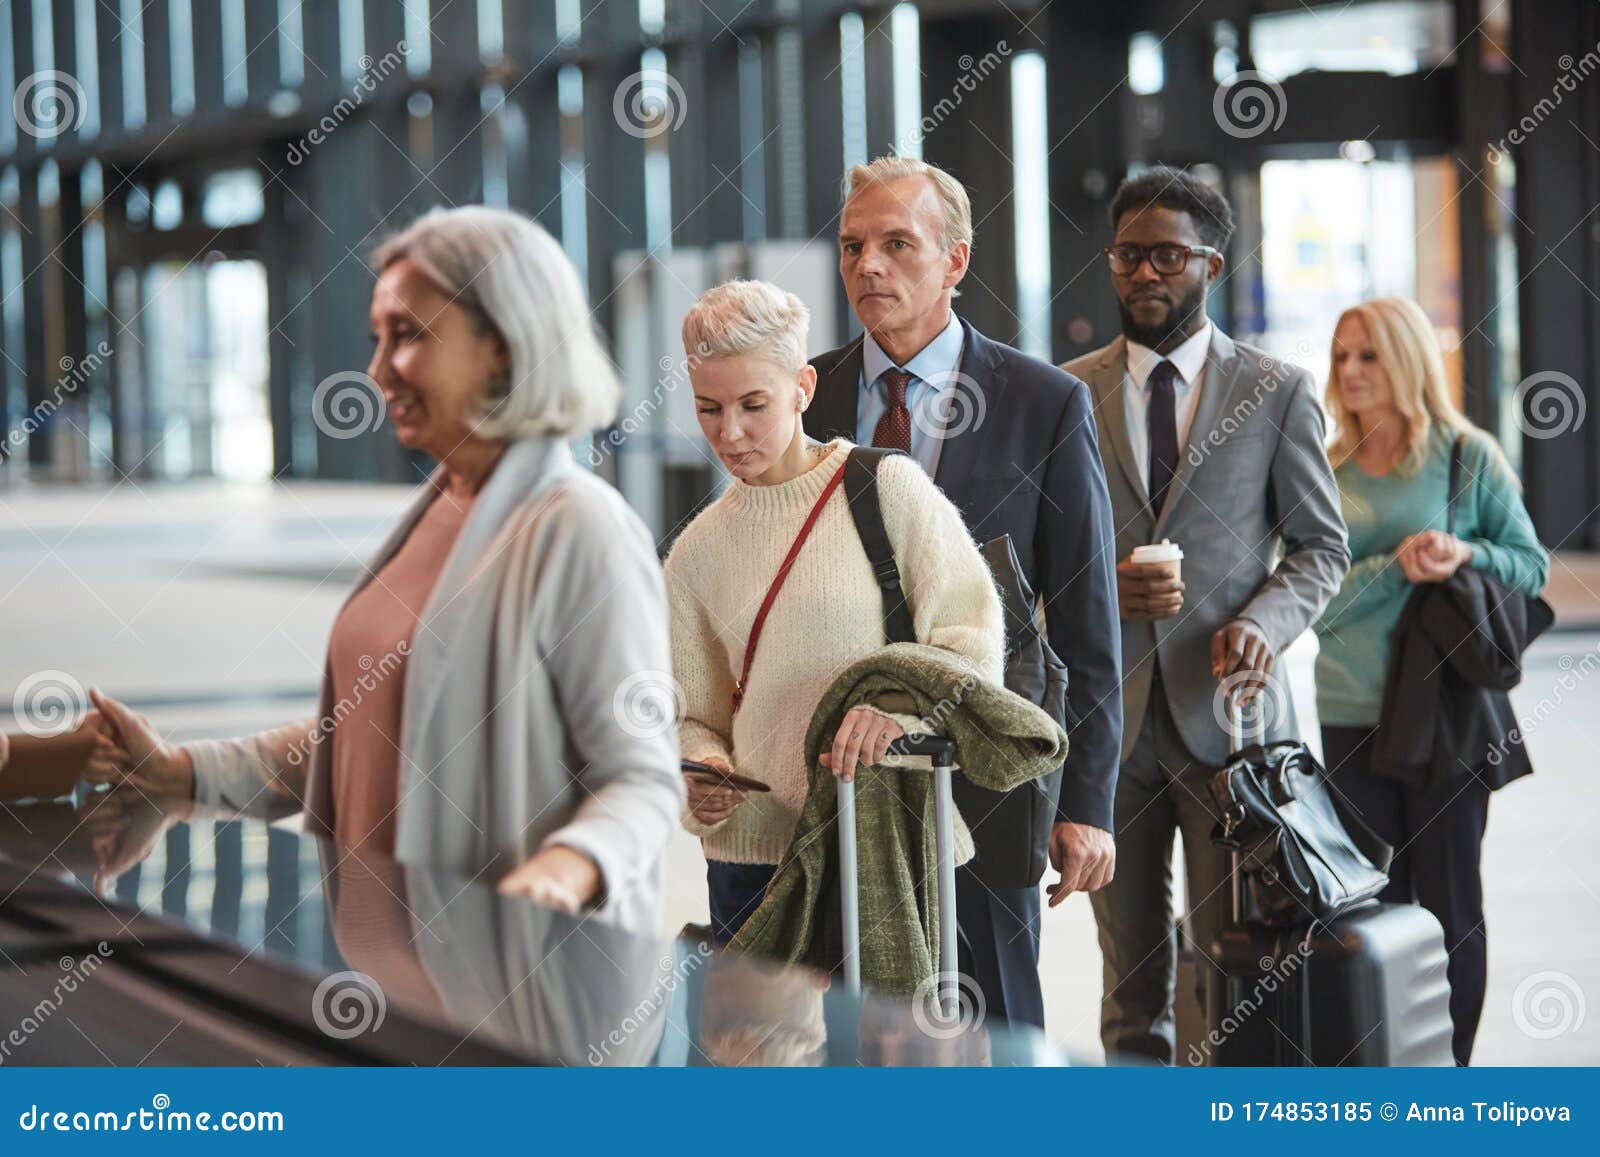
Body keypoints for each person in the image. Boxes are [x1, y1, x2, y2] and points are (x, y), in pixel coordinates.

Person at [90, 205, 684, 934]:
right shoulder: (439, 505)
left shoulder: (579, 528)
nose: (377, 371)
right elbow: (363, 733)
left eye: (407, 335)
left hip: (516, 1005)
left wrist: (564, 870)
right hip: (389, 997)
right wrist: (183, 772)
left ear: (501, 344)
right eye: (377, 338)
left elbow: (642, 780)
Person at [804, 154, 1123, 1029]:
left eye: (897, 243)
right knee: (848, 1033)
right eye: (853, 245)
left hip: (989, 775)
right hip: (840, 776)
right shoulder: (805, 396)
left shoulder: (1042, 402)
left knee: (1002, 1024)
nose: (868, 265)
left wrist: (1087, 803)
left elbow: (1088, 625)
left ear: (956, 259)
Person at [1063, 166, 1349, 1063]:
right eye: (1128, 255)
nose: (1146, 273)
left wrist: (1265, 622)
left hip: (1235, 735)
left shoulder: (1276, 391)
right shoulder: (1065, 393)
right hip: (1111, 732)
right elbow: (1028, 565)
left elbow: (1320, 549)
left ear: (1211, 265)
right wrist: (1099, 588)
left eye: (1168, 255)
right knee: (1130, 978)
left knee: (1237, 971)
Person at [665, 278, 1005, 947]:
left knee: (890, 1049)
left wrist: (902, 713)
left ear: (803, 388)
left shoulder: (888, 491)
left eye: (752, 404)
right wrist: (699, 768)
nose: (729, 432)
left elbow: (975, 649)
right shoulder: (695, 552)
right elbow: (684, 713)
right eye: (708, 407)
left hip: (886, 846)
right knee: (757, 1053)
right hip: (750, 869)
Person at [1314, 296, 1548, 1065]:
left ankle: (1450, 1078)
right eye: (1342, 355)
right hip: (1351, 709)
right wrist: (1393, 569)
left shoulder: (1464, 455)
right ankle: (1381, 1067)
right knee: (1369, 906)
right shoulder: (1325, 466)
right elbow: (1313, 595)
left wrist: (1463, 555)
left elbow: (1531, 565)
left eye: (1368, 355)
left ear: (1407, 361)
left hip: (1446, 713)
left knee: (1451, 904)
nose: (1349, 371)